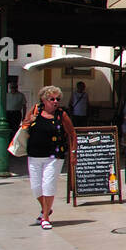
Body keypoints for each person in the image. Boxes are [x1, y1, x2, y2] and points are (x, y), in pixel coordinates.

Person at [20, 85, 76, 229]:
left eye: (58, 99)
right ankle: (46, 209)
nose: (55, 101)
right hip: (34, 155)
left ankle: (45, 218)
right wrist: (29, 120)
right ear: (44, 99)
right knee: (36, 188)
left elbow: (72, 134)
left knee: (48, 185)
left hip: (54, 155)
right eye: (52, 99)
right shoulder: (35, 110)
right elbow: (24, 127)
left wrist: (73, 153)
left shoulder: (61, 114)